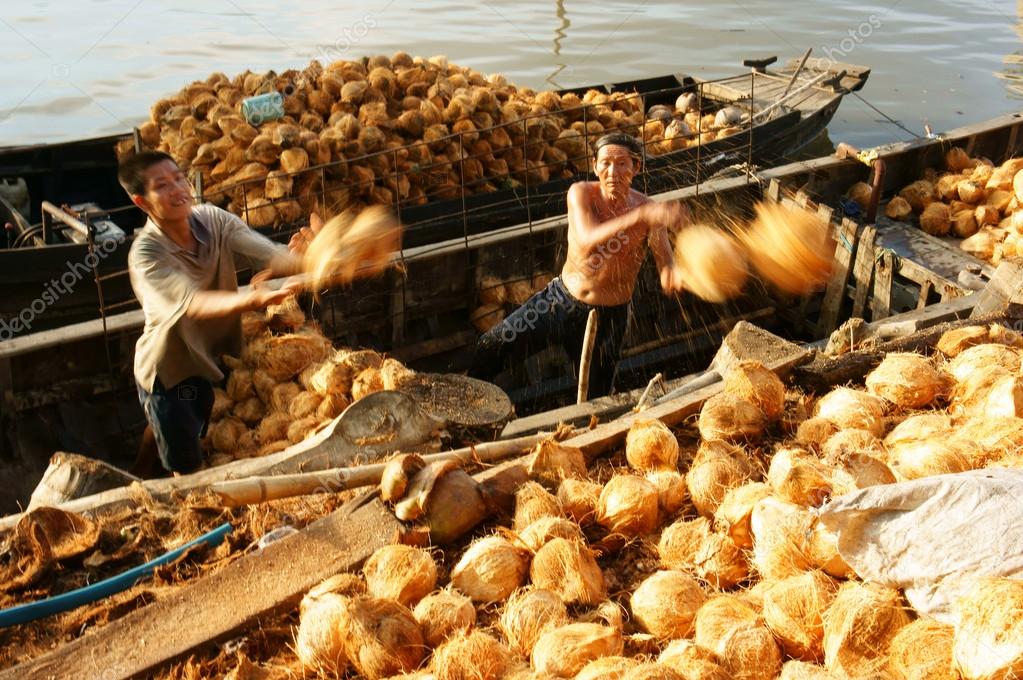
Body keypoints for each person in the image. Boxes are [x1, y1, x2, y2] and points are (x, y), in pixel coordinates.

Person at [120, 150, 316, 476]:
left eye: (179, 178)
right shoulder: (146, 255)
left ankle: (138, 470)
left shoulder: (213, 219)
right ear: (142, 202)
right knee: (188, 465)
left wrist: (311, 256)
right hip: (166, 372)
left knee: (176, 428)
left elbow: (268, 253)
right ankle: (167, 488)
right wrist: (252, 302)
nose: (178, 189)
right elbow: (193, 303)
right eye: (163, 185)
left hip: (202, 359)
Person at [469, 131, 688, 398]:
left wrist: (675, 277)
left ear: (636, 167)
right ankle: (470, 410)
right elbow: (587, 242)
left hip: (609, 317)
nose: (612, 171)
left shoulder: (648, 208)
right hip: (560, 301)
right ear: (594, 165)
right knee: (490, 345)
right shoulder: (581, 193)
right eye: (605, 163)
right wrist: (639, 217)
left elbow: (665, 263)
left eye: (622, 163)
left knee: (597, 395)